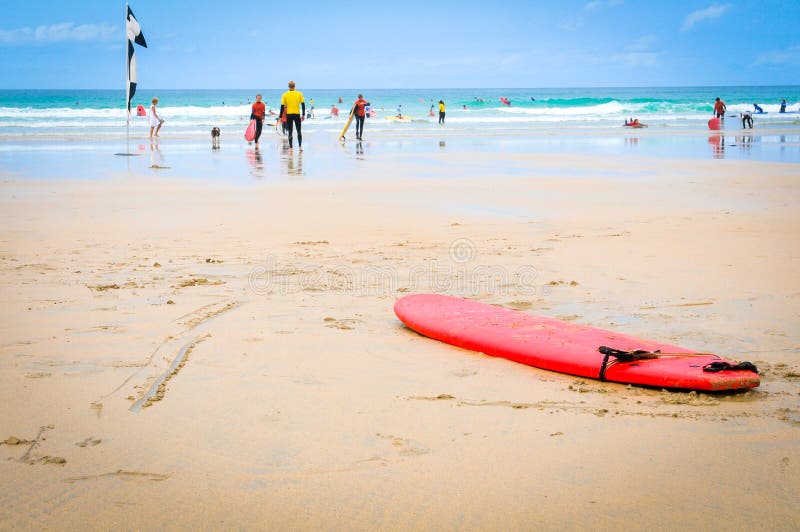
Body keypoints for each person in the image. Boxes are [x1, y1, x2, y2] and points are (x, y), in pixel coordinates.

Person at [279, 80, 306, 152]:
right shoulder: (299, 94)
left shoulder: (285, 94)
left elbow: (282, 107)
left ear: (288, 86)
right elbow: (303, 105)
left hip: (289, 115)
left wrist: (280, 116)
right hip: (297, 114)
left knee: (290, 131)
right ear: (295, 86)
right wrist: (303, 114)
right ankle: (300, 147)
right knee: (299, 130)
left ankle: (291, 148)